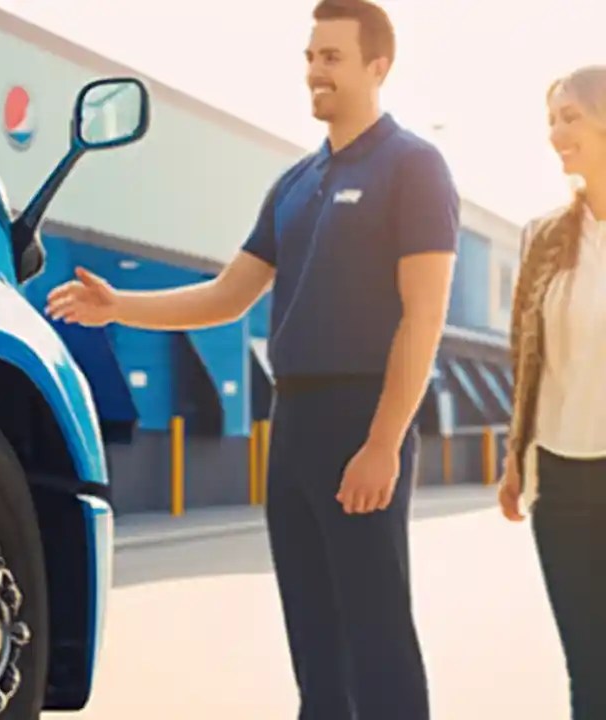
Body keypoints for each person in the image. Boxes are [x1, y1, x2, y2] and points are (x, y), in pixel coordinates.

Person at [45, 0, 459, 717]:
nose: (315, 71)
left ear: (378, 66)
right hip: (292, 423)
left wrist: (384, 443)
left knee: (377, 634)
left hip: (362, 416)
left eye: (332, 57)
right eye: (310, 57)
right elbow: (227, 295)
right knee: (313, 639)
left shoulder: (414, 166)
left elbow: (423, 316)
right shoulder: (295, 182)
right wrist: (120, 307)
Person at [497, 64, 606, 719]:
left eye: (570, 118)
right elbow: (525, 353)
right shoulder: (542, 236)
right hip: (561, 479)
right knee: (588, 670)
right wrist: (516, 456)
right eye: (551, 121)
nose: (556, 134)